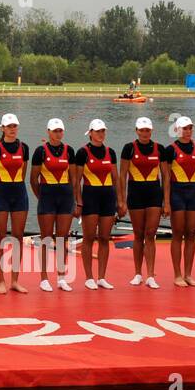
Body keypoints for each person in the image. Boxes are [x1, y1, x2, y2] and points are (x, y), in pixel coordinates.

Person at [0, 113, 30, 294]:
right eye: (9, 126)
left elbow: (23, 173)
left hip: (19, 194)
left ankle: (15, 281)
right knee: (0, 238)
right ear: (2, 128)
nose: (12, 129)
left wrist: (15, 188)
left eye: (14, 126)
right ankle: (1, 280)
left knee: (18, 237)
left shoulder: (24, 147)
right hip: (0, 195)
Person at [74, 119, 122, 290]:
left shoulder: (110, 152)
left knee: (104, 238)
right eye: (97, 131)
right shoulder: (82, 153)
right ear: (91, 133)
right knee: (89, 238)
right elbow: (76, 181)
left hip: (108, 197)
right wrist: (79, 202)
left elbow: (116, 179)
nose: (101, 134)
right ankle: (89, 277)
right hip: (90, 196)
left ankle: (101, 277)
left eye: (103, 131)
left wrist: (120, 201)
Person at [30, 118, 73, 292]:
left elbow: (73, 178)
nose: (58, 133)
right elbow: (33, 179)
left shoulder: (69, 151)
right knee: (46, 238)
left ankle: (61, 278)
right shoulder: (40, 151)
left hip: (65, 198)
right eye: (55, 131)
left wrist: (74, 199)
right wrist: (41, 196)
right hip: (47, 197)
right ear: (48, 132)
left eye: (60, 130)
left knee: (63, 238)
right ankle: (44, 279)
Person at [120, 116, 163, 289]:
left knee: (150, 234)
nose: (145, 133)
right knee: (138, 235)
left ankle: (151, 276)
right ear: (136, 131)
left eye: (147, 130)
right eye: (142, 130)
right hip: (135, 194)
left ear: (151, 131)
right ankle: (138, 274)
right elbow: (122, 175)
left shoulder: (159, 149)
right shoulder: (129, 148)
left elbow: (166, 176)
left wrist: (166, 201)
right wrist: (122, 200)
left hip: (154, 194)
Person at [162, 116, 195, 287]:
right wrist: (166, 202)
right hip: (177, 193)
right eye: (184, 128)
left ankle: (188, 274)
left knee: (191, 234)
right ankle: (177, 275)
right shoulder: (170, 150)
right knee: (178, 234)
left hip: (194, 194)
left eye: (190, 128)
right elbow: (166, 178)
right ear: (177, 130)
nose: (188, 131)